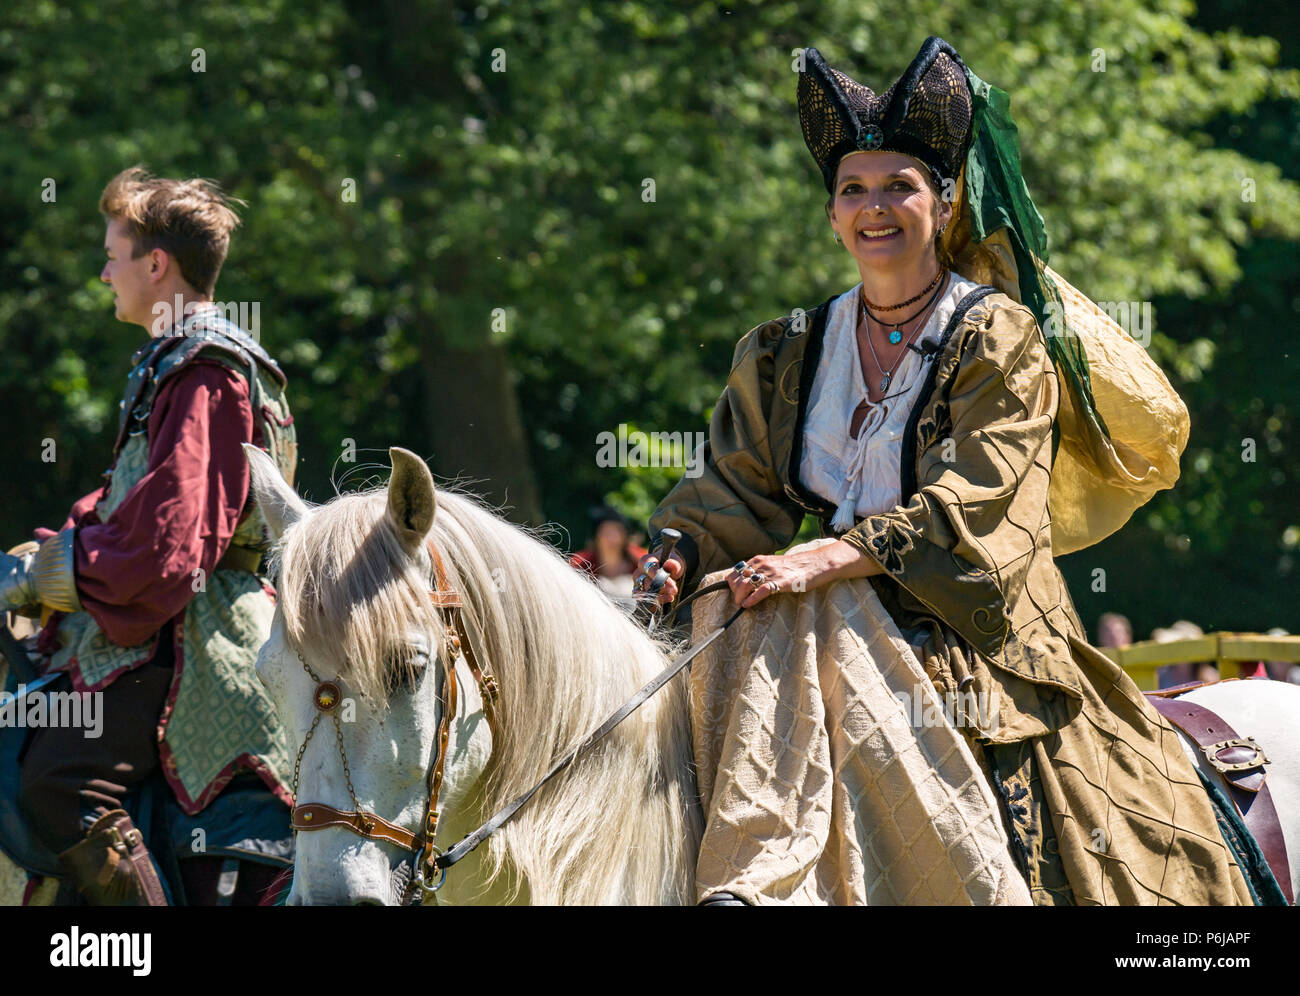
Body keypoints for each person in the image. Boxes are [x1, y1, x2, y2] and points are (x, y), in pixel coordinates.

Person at [638, 38, 1252, 905]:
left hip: (976, 628)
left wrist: (825, 557)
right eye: (853, 189)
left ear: (945, 200)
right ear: (831, 214)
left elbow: (980, 498)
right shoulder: (784, 353)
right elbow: (734, 489)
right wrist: (675, 554)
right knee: (724, 611)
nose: (874, 207)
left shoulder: (998, 338)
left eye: (900, 187)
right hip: (819, 608)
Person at [0, 167, 298, 904]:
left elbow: (168, 550)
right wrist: (42, 555)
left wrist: (50, 577)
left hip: (191, 639)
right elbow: (130, 510)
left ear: (155, 264)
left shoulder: (205, 370)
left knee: (56, 780)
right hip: (163, 627)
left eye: (113, 254)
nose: (104, 273)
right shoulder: (174, 363)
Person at [568, 506, 648, 599]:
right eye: (607, 533)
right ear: (596, 536)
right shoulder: (580, 564)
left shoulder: (641, 560)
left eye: (617, 532)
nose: (612, 538)